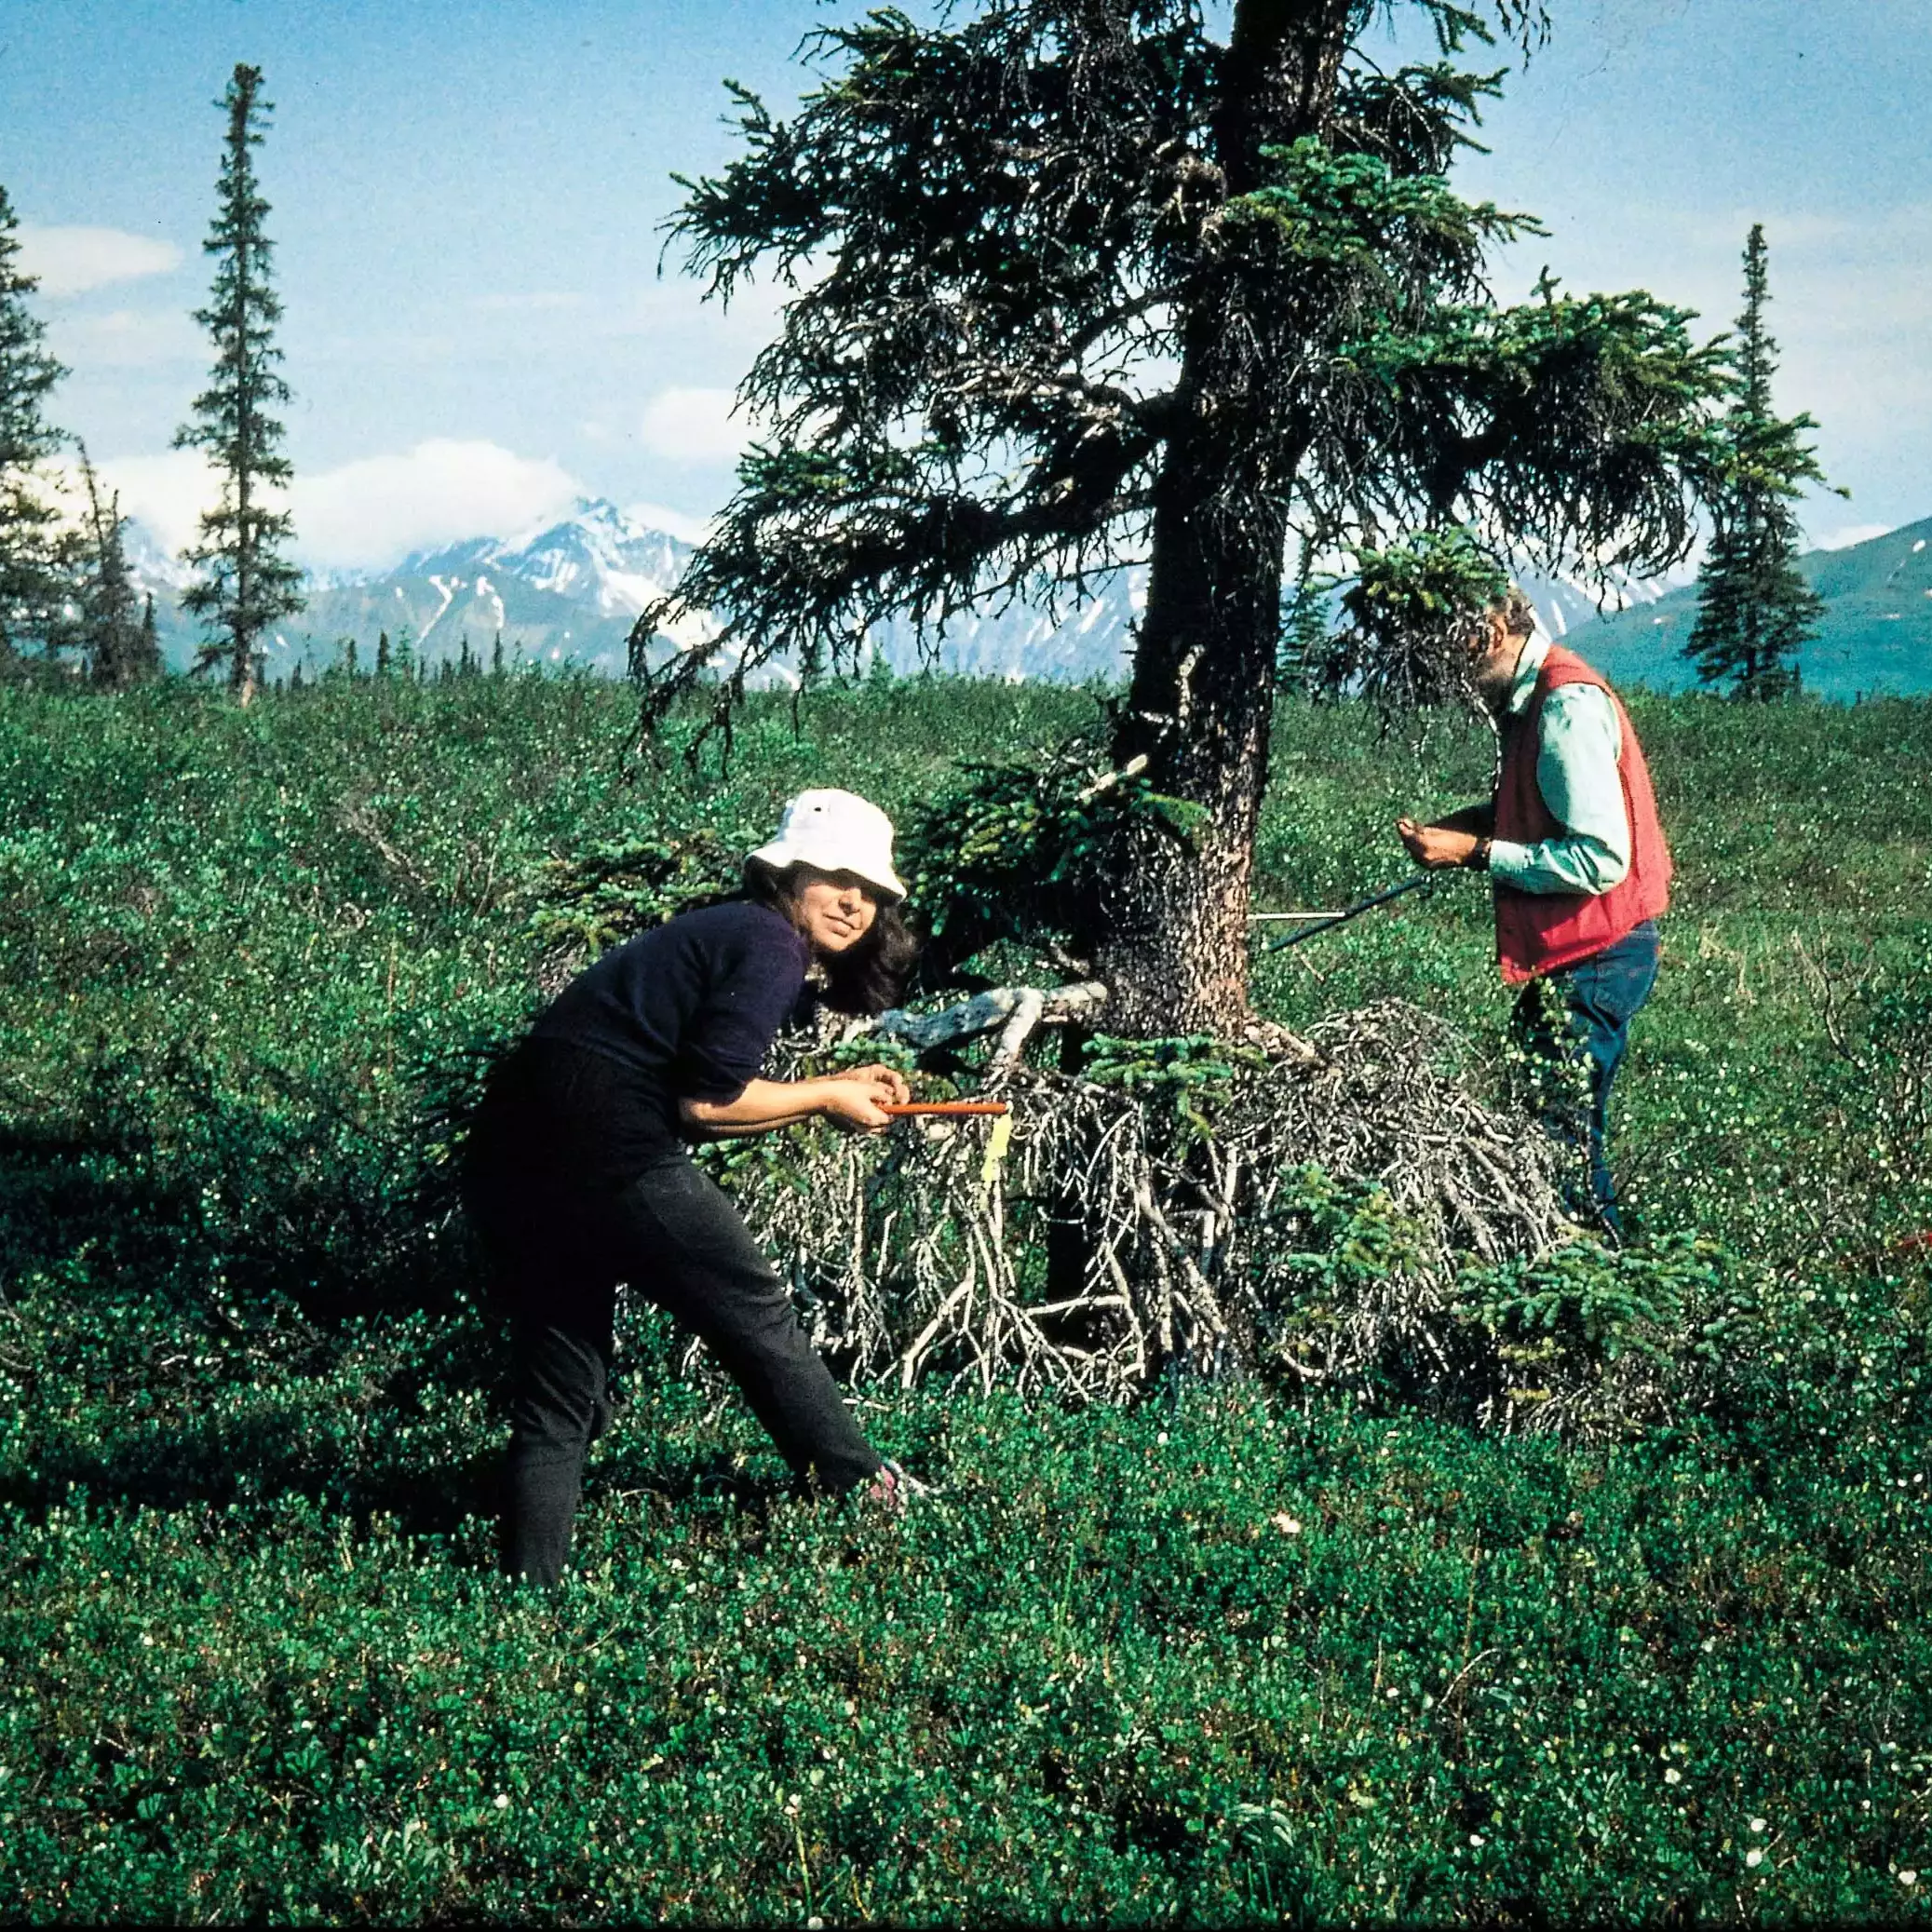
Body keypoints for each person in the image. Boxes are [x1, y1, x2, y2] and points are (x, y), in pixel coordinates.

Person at [463, 789, 922, 1584]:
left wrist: (832, 1084)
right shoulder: (768, 941)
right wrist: (826, 1095)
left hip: (516, 1166)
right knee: (758, 1313)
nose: (855, 901)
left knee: (561, 1389)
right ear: (787, 875)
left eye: (872, 890)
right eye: (836, 876)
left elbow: (701, 1081)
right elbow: (708, 1104)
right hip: (610, 1155)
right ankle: (869, 1495)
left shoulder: (726, 931)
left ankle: (527, 1600)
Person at [1397, 588, 1673, 1241]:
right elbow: (1542, 807)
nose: (1452, 677)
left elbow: (1598, 859)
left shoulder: (1564, 706)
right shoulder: (1529, 701)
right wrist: (1459, 831)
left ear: (1491, 634)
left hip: (1598, 954)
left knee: (1558, 1139)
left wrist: (1477, 851)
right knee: (1545, 1122)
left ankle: (1601, 1284)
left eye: (1454, 655)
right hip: (1582, 954)